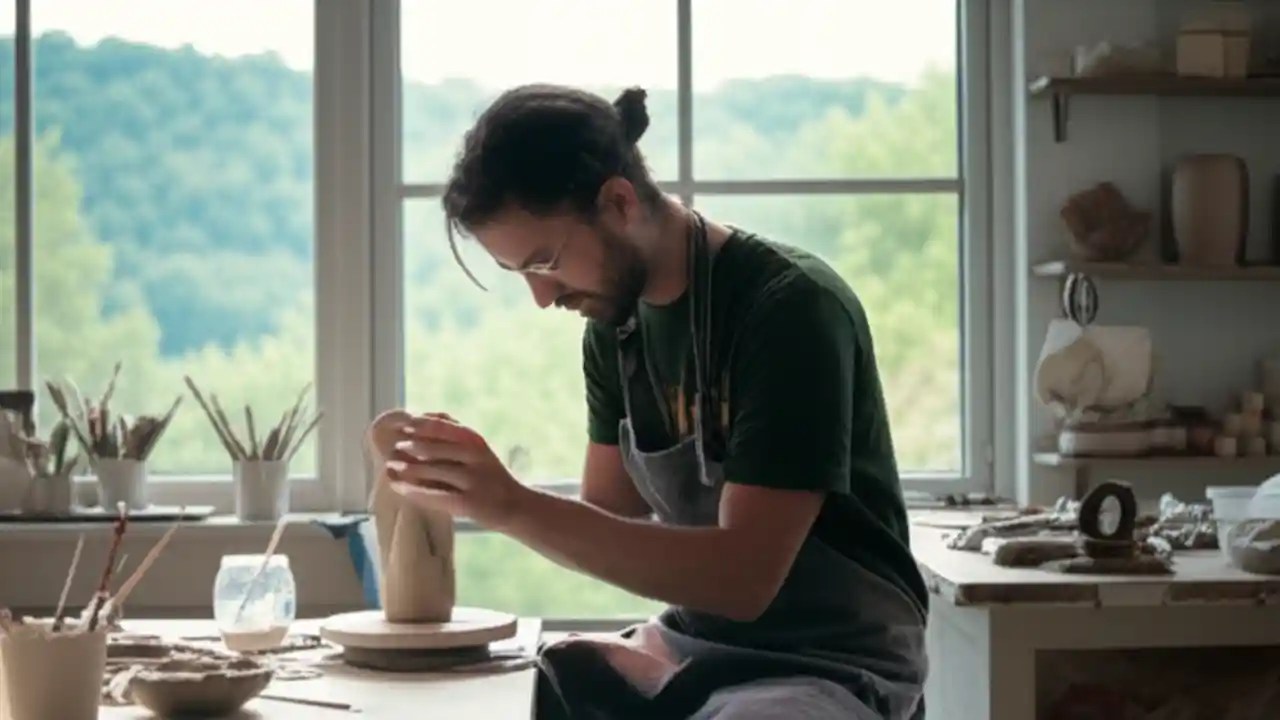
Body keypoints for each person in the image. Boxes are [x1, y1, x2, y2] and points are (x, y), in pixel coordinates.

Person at [373, 84, 929, 719]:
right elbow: (611, 513)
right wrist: (466, 484)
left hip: (836, 660)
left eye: (547, 261)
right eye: (519, 274)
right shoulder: (615, 330)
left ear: (617, 201)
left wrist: (510, 504)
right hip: (700, 642)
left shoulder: (789, 310)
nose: (541, 297)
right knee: (526, 687)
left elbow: (745, 579)